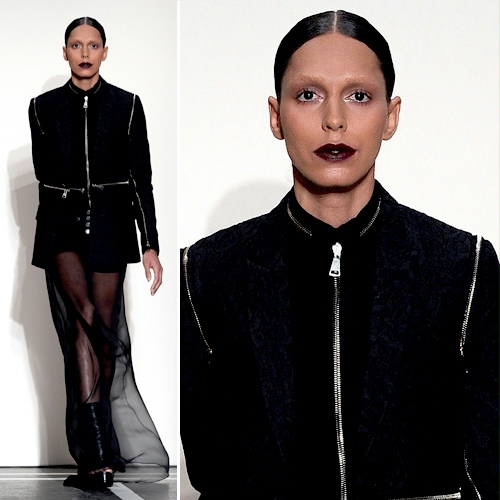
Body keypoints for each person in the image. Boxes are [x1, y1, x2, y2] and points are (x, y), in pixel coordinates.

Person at [181, 10, 500, 500]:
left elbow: (490, 466)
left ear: (391, 115)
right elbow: (210, 470)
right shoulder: (205, 272)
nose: (334, 120)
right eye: (308, 95)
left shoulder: (463, 268)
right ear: (276, 116)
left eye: (359, 96)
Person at [29, 16, 169, 490]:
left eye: (93, 45)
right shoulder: (42, 108)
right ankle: (95, 457)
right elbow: (44, 173)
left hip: (110, 226)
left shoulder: (127, 106)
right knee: (84, 324)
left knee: (102, 337)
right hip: (61, 229)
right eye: (76, 45)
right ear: (64, 52)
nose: (85, 53)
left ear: (105, 52)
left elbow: (141, 178)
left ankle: (101, 453)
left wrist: (149, 243)